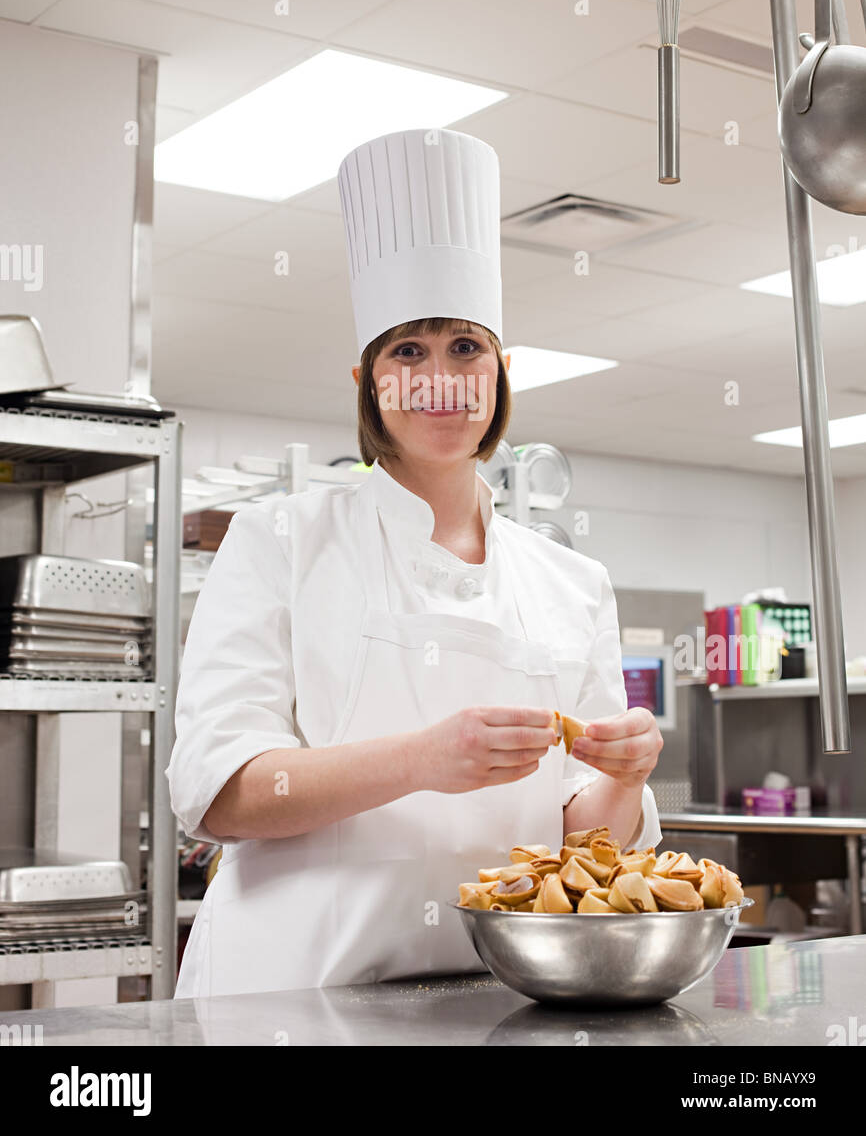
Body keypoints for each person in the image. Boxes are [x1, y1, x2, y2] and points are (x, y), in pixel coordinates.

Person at [166, 127, 663, 998]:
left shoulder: (570, 583)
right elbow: (222, 796)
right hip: (291, 996)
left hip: (494, 995)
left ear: (501, 372)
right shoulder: (281, 538)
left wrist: (625, 776)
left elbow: (593, 848)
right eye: (409, 351)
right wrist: (421, 761)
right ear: (368, 380)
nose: (441, 380)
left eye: (466, 348)